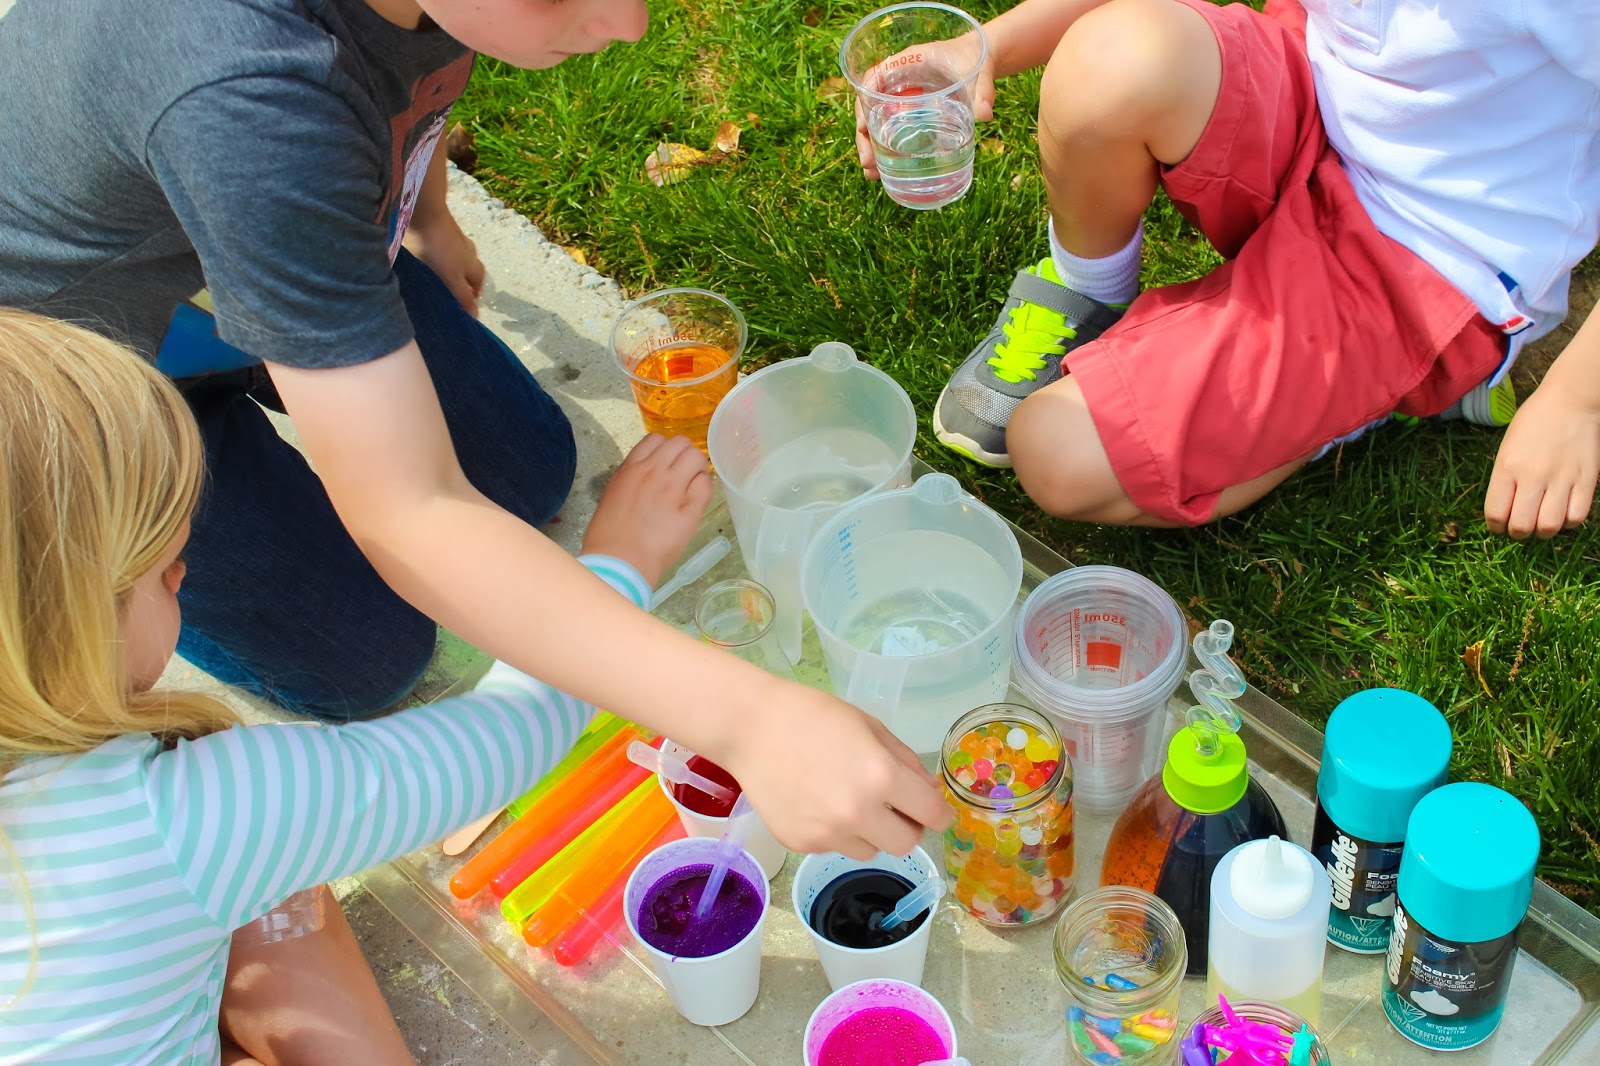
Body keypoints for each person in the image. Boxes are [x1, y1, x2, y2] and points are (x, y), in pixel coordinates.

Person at [0, 0, 948, 856]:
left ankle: (313, 317)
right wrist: (751, 722)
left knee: (532, 471)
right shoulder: (246, 96)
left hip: (260, 236)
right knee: (371, 656)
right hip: (82, 392)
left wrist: (427, 217)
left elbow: (410, 82)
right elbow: (410, 508)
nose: (627, 24)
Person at [0, 307, 717, 1062]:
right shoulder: (201, 812)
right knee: (279, 889)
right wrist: (617, 564)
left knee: (268, 888)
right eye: (162, 572)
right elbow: (517, 732)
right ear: (74, 627)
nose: (185, 575)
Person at [866, 0, 1600, 539]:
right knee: (1116, 60)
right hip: (1313, 92)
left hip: (1426, 254)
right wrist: (986, 45)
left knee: (1056, 453)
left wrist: (1576, 404)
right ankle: (1086, 294)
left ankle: (1361, 398)